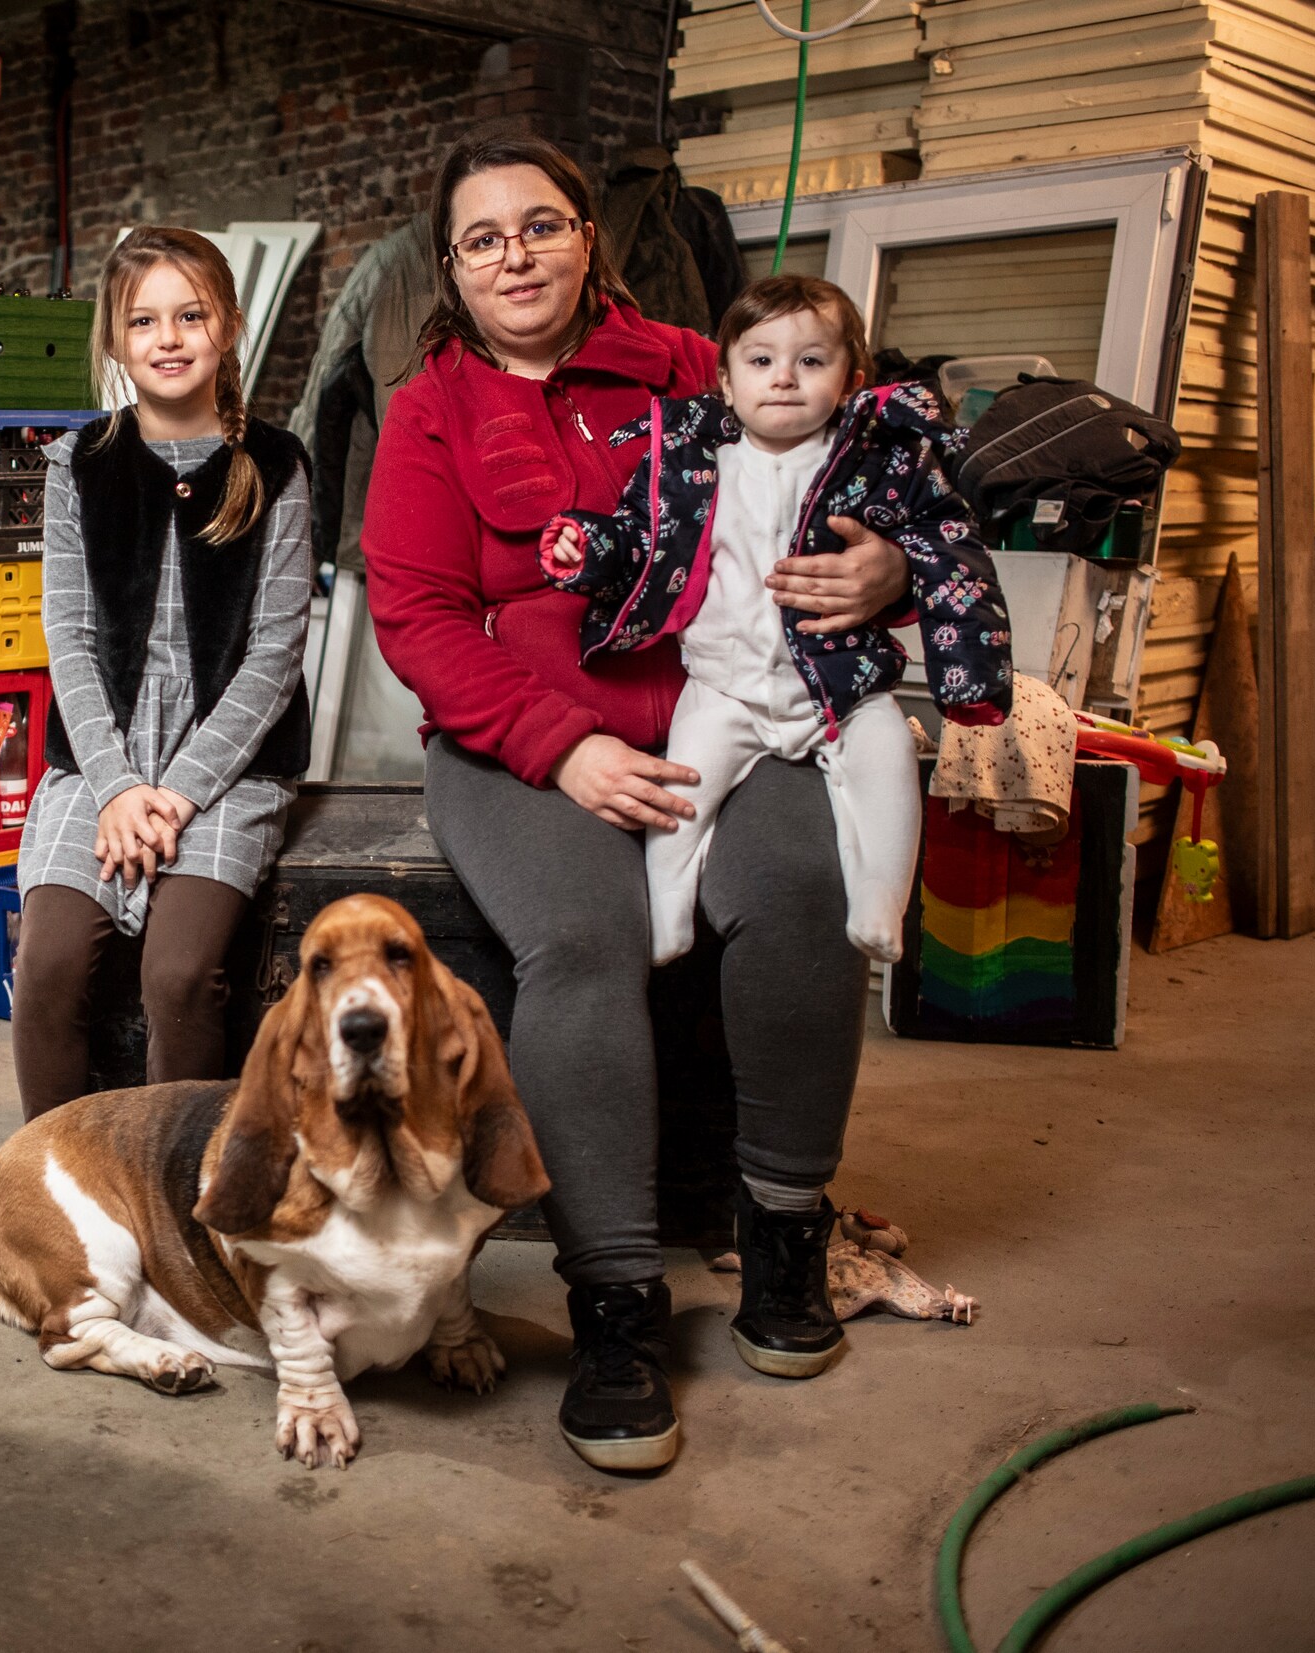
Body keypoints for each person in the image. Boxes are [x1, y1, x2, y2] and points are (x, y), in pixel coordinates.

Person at [362, 135, 917, 1473]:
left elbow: (867, 447)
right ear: (451, 265)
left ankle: (786, 1230)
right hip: (519, 743)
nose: (517, 255)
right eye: (483, 237)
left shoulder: (689, 362)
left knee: (798, 892)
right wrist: (560, 750)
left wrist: (886, 564)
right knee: (583, 941)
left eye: (540, 225)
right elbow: (419, 617)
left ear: (585, 238)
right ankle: (614, 1304)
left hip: (723, 709)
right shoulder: (431, 409)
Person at [538, 275, 1014, 967]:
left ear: (849, 382)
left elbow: (950, 538)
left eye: (810, 362)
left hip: (842, 686)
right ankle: (667, 916)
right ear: (726, 383)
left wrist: (959, 655)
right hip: (722, 689)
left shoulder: (878, 463)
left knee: (888, 768)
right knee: (679, 794)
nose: (784, 379)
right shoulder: (690, 461)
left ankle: (882, 902)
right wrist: (588, 547)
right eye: (761, 361)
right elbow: (639, 538)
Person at [9, 227, 313, 1121]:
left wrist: (175, 795)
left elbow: (274, 654)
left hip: (225, 769)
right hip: (97, 762)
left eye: (191, 315)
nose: (168, 337)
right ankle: (57, 1181)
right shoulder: (79, 464)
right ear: (114, 340)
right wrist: (114, 787)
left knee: (180, 975)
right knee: (49, 965)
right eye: (143, 320)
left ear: (229, 327)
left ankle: (180, 1199)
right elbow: (65, 636)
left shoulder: (276, 464)